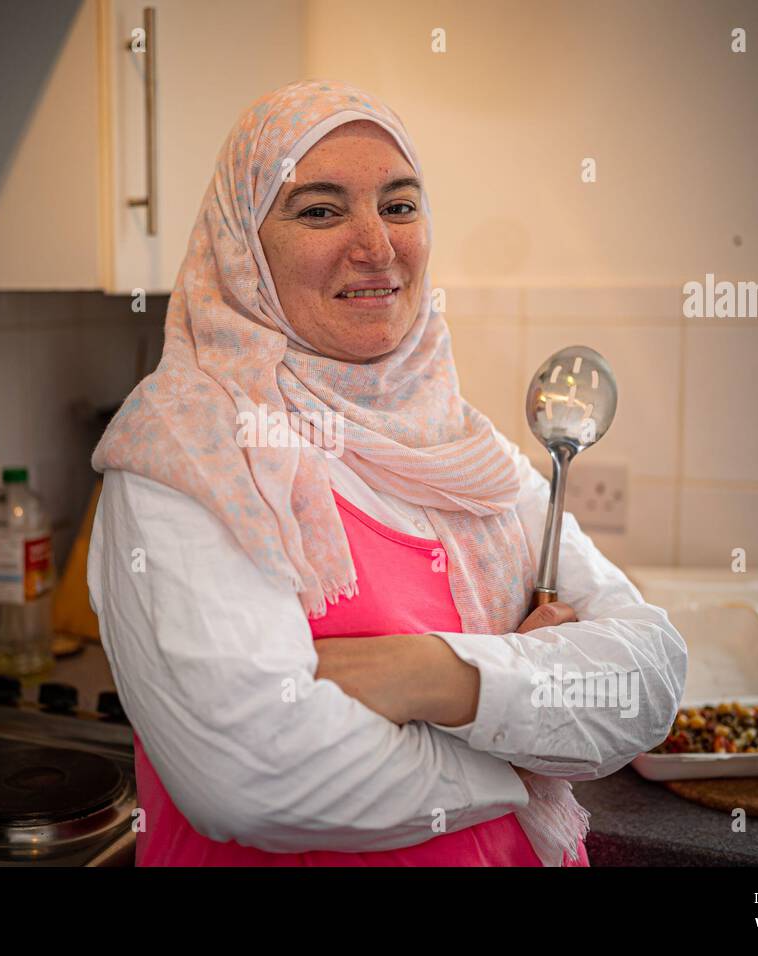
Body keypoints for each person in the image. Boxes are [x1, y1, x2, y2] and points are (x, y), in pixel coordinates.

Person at [88, 79, 688, 866]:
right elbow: (257, 773)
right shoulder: (185, 451)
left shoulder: (462, 448)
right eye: (320, 210)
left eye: (399, 206)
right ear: (244, 248)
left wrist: (433, 676)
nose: (375, 245)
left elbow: (646, 679)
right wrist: (517, 747)